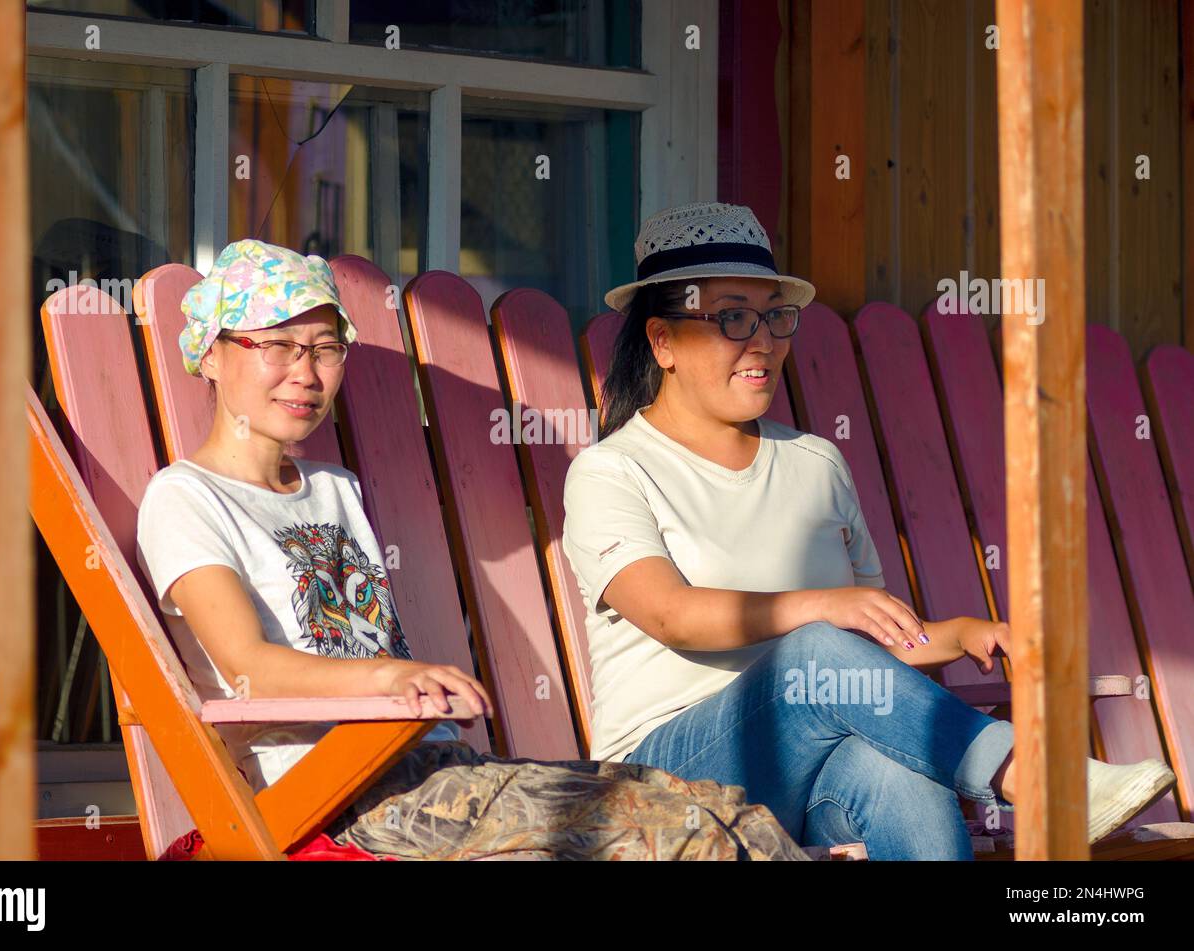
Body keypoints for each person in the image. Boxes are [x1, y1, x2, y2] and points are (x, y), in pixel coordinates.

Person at [134, 238, 808, 861]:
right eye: (277, 345)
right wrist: (390, 678)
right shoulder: (186, 498)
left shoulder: (335, 489)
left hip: (434, 765)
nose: (305, 372)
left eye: (325, 347)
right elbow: (248, 667)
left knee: (731, 816)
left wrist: (399, 688)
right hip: (335, 796)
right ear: (213, 354)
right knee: (685, 841)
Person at [560, 201, 1177, 860]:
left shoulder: (816, 463)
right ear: (663, 340)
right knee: (815, 648)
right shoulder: (611, 472)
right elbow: (672, 614)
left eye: (774, 315)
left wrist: (962, 632)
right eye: (732, 317)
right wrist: (824, 608)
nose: (762, 341)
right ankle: (1038, 780)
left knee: (905, 779)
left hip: (793, 782)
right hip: (659, 793)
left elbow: (861, 656)